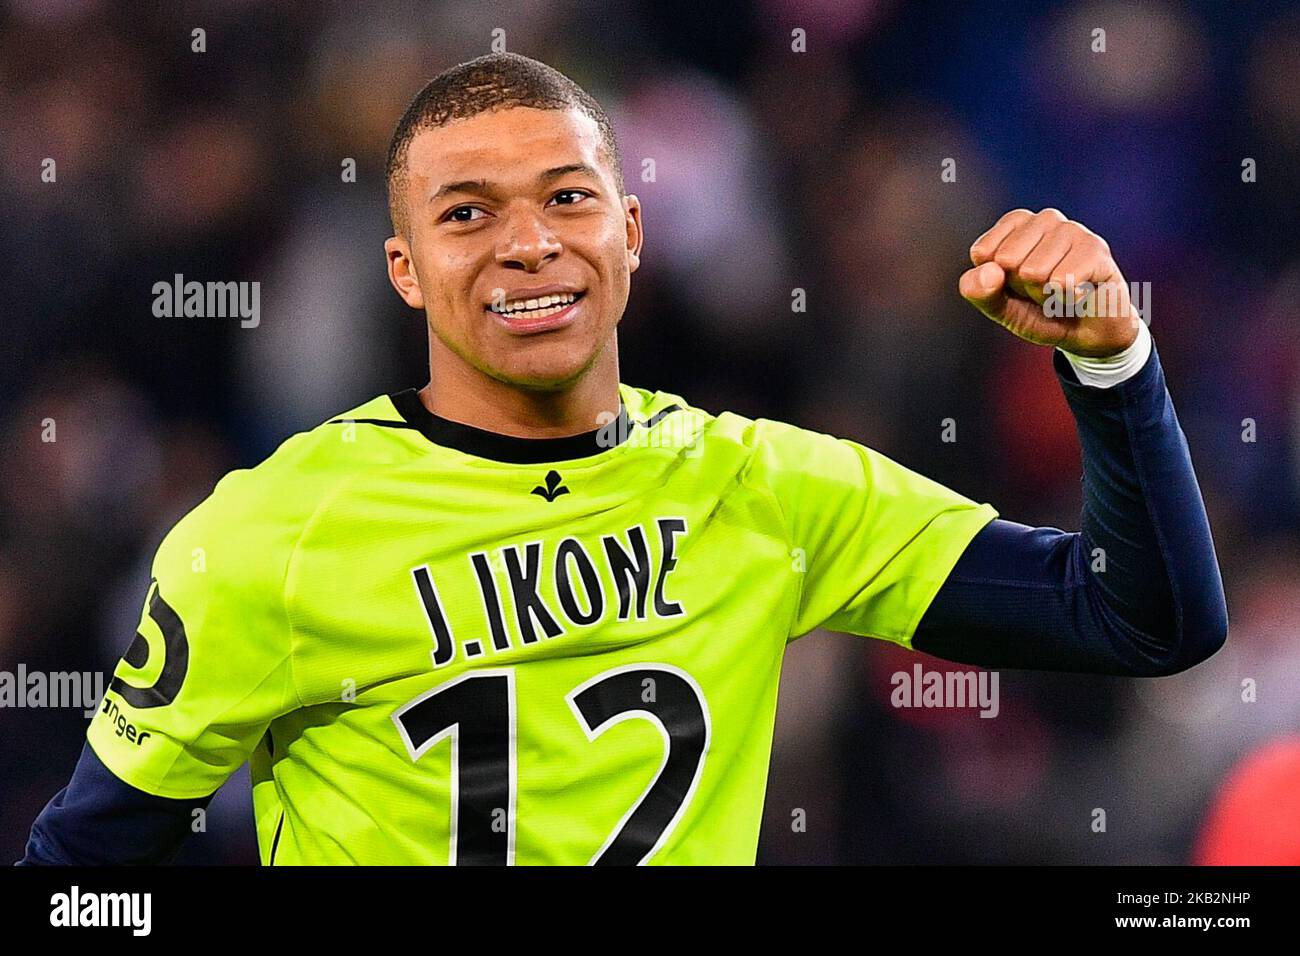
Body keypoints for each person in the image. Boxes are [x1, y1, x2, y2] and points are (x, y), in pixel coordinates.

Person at [20, 52, 1226, 865]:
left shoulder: (762, 486)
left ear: (630, 233)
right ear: (404, 270)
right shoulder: (268, 532)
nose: (530, 243)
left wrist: (1114, 366)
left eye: (567, 197)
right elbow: (83, 875)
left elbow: (1143, 620)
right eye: (465, 212)